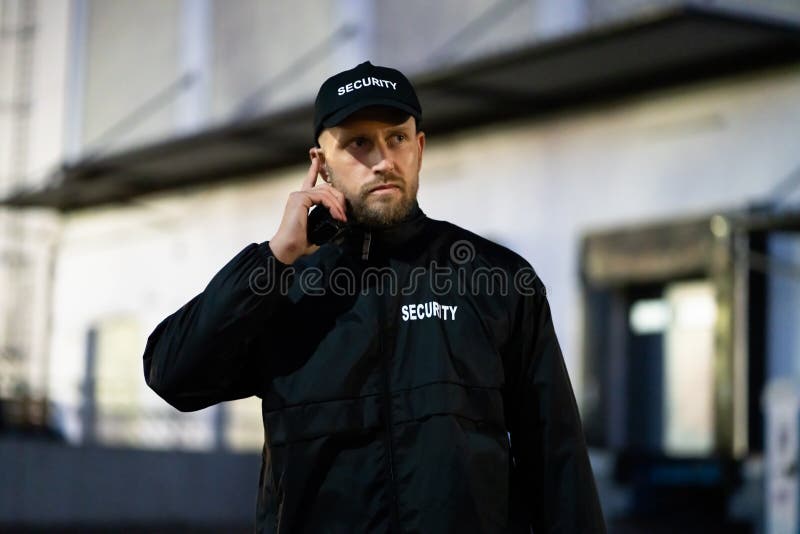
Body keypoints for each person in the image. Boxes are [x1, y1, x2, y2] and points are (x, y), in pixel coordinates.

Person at [143, 61, 605, 533]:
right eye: (358, 143)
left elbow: (557, 459)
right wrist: (275, 256)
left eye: (396, 138)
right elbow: (173, 375)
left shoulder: (497, 279)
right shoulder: (281, 287)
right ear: (319, 164)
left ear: (419, 148)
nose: (383, 160)